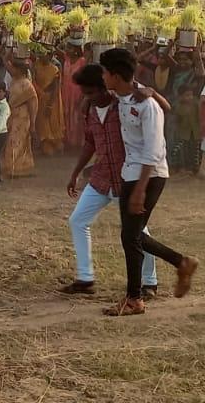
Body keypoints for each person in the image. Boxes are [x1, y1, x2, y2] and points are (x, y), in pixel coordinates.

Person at [97, 48, 197, 316]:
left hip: (148, 175)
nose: (103, 77)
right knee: (132, 235)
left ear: (115, 76)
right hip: (131, 171)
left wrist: (140, 190)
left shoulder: (146, 105)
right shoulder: (127, 93)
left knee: (130, 237)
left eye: (105, 73)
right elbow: (154, 99)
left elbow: (153, 151)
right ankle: (181, 263)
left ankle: (134, 298)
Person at [62, 64, 159, 296]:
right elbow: (90, 142)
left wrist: (150, 91)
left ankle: (150, 281)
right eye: (85, 93)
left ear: (105, 87)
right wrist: (76, 172)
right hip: (101, 177)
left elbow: (159, 107)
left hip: (126, 178)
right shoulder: (91, 110)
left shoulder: (124, 105)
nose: (88, 97)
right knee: (77, 220)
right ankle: (85, 278)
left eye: (91, 92)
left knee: (138, 231)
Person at [1, 54, 39, 178]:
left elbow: (33, 105)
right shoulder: (15, 80)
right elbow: (6, 62)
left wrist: (32, 124)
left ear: (20, 70)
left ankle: (15, 168)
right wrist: (9, 50)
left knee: (16, 142)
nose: (11, 70)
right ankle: (13, 168)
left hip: (22, 118)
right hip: (12, 116)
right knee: (12, 141)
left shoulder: (27, 85)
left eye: (14, 68)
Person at [33, 50, 65, 155]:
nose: (41, 56)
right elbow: (33, 81)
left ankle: (56, 143)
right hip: (40, 99)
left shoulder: (54, 69)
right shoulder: (36, 66)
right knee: (42, 124)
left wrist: (50, 105)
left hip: (52, 101)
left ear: (50, 56)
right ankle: (45, 143)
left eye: (44, 54)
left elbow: (55, 88)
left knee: (52, 121)